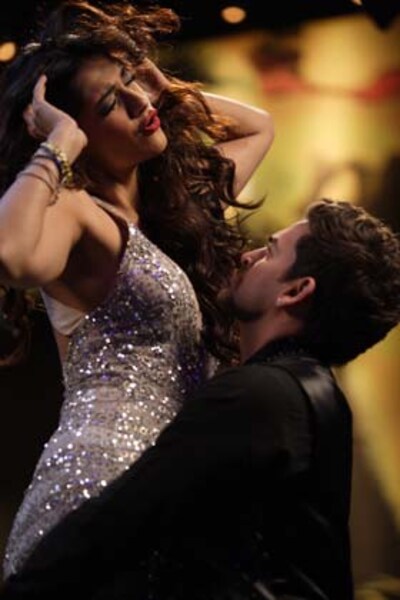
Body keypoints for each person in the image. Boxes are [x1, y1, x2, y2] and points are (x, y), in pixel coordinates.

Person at [1, 198, 399, 600]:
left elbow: (128, 513)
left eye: (269, 251)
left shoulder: (257, 397)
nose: (247, 257)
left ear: (295, 291)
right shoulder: (319, 398)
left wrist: (23, 588)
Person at [0, 0, 275, 579]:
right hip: (100, 483)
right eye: (110, 104)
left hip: (170, 487)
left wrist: (160, 88)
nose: (138, 103)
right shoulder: (77, 210)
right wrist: (57, 144)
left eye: (131, 82)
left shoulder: (173, 216)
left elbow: (259, 128)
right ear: (80, 132)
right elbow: (11, 253)